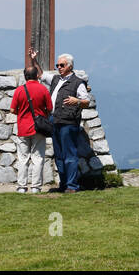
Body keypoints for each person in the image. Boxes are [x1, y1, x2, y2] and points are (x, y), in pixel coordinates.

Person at [42, 51, 92, 193]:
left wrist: (77, 101)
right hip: (54, 121)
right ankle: (63, 184)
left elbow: (86, 101)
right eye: (57, 65)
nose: (59, 67)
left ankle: (72, 186)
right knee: (59, 155)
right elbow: (40, 75)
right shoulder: (56, 79)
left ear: (70, 66)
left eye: (62, 65)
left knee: (69, 155)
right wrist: (33, 60)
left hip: (68, 123)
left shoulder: (78, 83)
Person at [10, 66, 53, 194]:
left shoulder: (19, 90)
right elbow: (50, 108)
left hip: (23, 128)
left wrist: (22, 113)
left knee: (23, 158)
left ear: (25, 76)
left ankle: (22, 187)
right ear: (36, 76)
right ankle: (35, 187)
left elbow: (12, 110)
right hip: (39, 128)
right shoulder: (43, 89)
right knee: (38, 158)